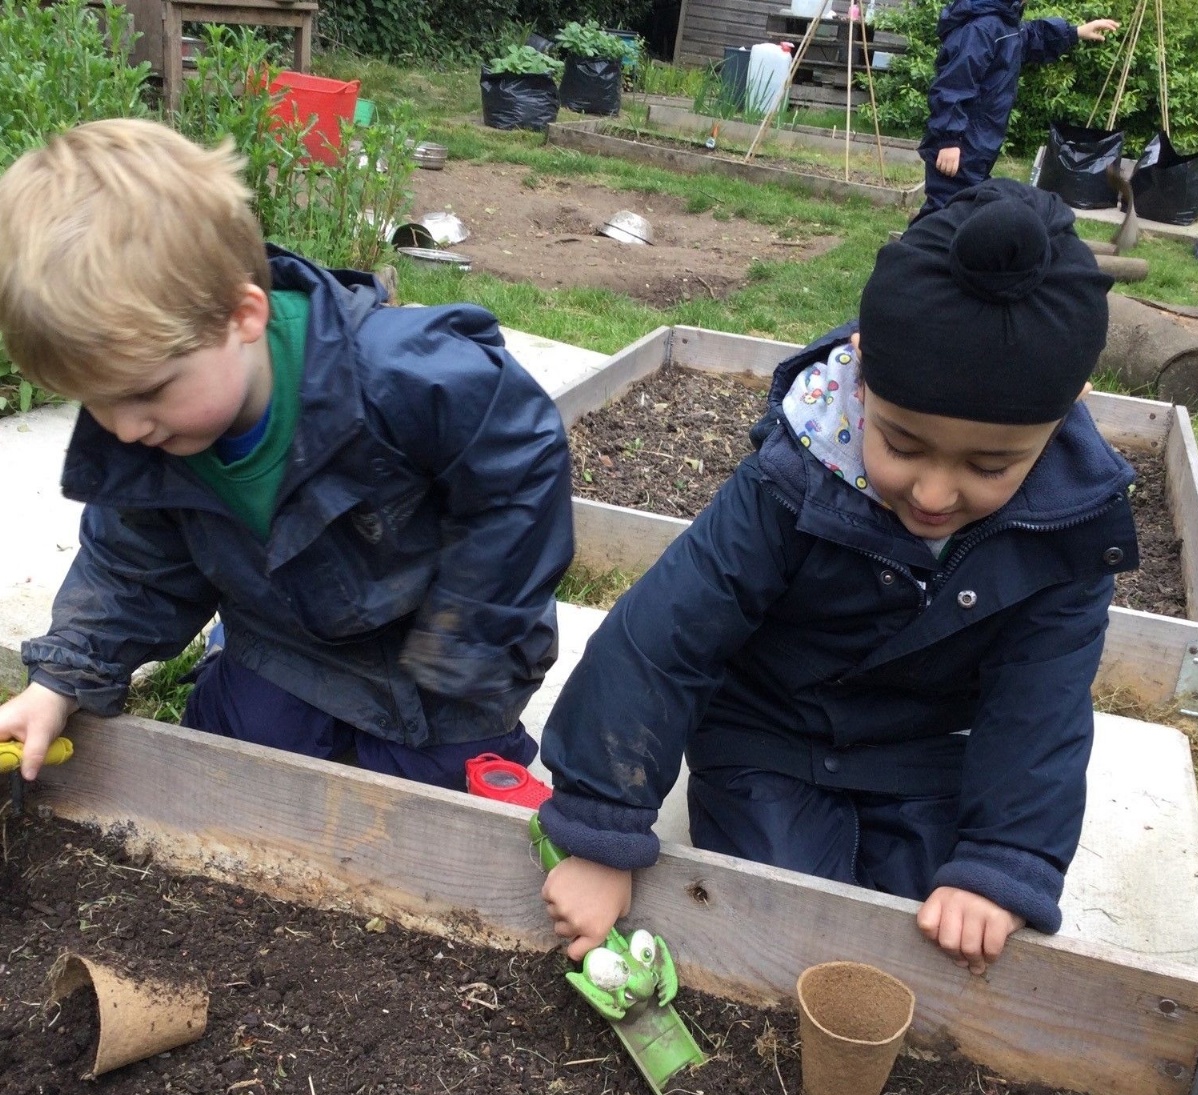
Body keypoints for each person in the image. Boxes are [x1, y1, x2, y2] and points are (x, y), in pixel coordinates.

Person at [537, 178, 1137, 976]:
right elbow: (665, 638)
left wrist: (1001, 859)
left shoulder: (1071, 528)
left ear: (1069, 412)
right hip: (769, 734)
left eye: (990, 466)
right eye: (904, 445)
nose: (932, 493)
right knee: (784, 920)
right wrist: (599, 831)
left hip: (926, 749)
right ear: (859, 374)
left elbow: (1041, 700)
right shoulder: (791, 479)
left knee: (923, 934)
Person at [0, 118, 574, 791]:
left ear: (244, 316)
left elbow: (520, 476)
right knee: (226, 778)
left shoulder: (401, 377)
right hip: (283, 642)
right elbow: (132, 570)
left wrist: (470, 636)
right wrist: (61, 682)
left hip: (435, 653)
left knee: (431, 800)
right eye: (96, 403)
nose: (125, 429)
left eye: (147, 393)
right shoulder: (154, 434)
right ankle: (231, 665)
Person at [916, 0, 1119, 218]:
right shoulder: (981, 28)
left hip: (978, 145)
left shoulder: (1004, 22)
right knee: (943, 215)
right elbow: (954, 84)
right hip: (961, 147)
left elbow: (1030, 38)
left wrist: (1075, 32)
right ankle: (912, 251)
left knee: (961, 216)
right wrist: (949, 141)